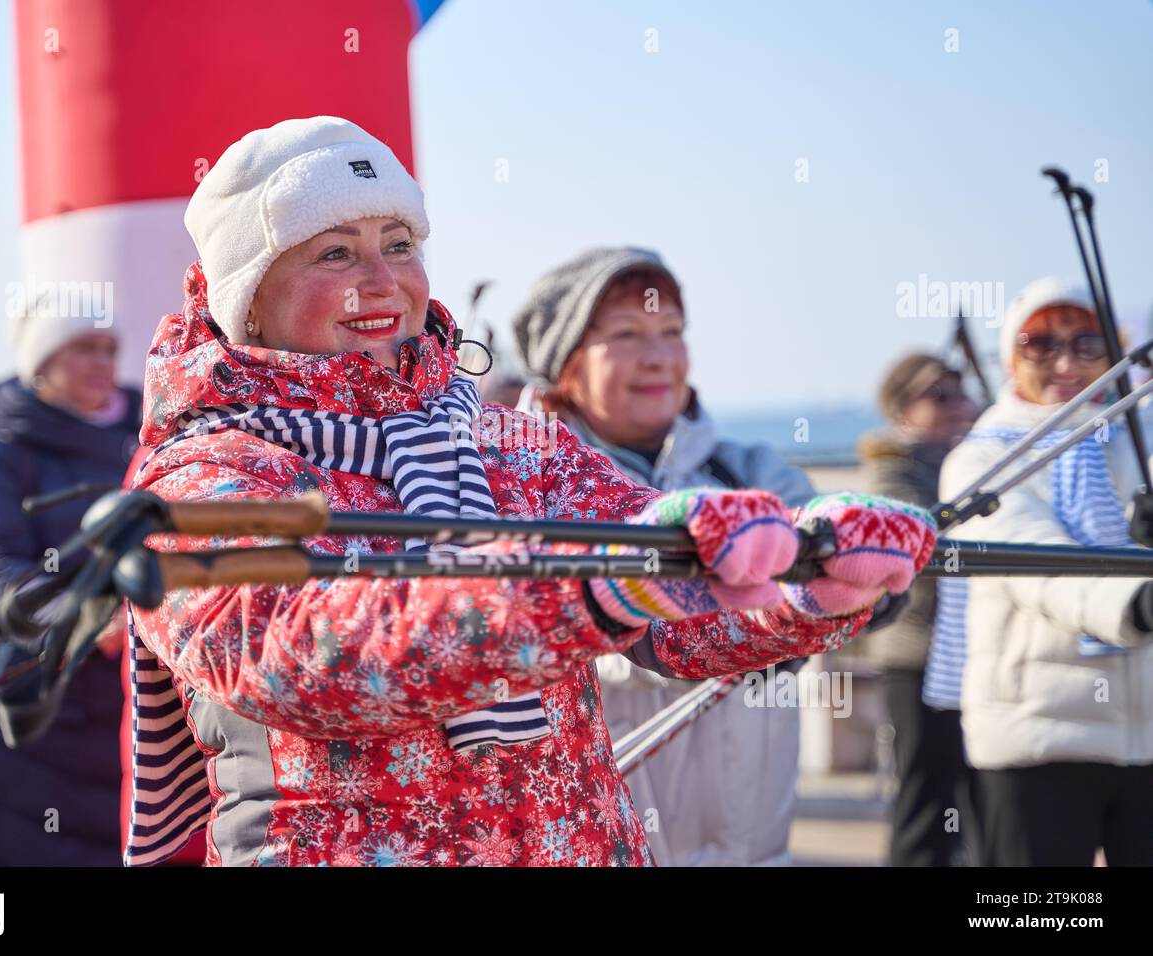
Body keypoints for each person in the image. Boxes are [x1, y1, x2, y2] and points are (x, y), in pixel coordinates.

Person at [124, 115, 936, 867]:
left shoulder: (509, 441)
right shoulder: (203, 476)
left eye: (399, 243)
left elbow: (667, 602)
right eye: (334, 253)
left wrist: (811, 585)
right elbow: (305, 660)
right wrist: (581, 589)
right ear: (249, 299)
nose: (380, 280)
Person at [510, 246, 816, 866]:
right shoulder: (516, 485)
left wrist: (853, 578)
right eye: (625, 334)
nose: (657, 356)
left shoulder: (749, 471)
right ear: (564, 364)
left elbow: (824, 574)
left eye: (671, 332)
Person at [936, 277, 1153, 866]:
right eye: (1040, 345)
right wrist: (1136, 604)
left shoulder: (1142, 433)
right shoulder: (982, 458)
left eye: (1088, 345)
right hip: (1036, 738)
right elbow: (1039, 566)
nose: (1065, 362)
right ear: (1010, 357)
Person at [0, 298, 141, 866]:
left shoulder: (149, 442)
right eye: (83, 347)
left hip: (126, 717)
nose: (103, 362)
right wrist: (87, 620)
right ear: (40, 362)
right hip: (31, 719)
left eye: (110, 348)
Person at [852, 353, 978, 866]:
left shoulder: (964, 463)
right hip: (917, 659)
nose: (958, 405)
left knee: (976, 803)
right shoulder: (891, 474)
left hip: (966, 659)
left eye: (959, 391)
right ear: (903, 412)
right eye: (938, 396)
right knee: (925, 799)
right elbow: (915, 545)